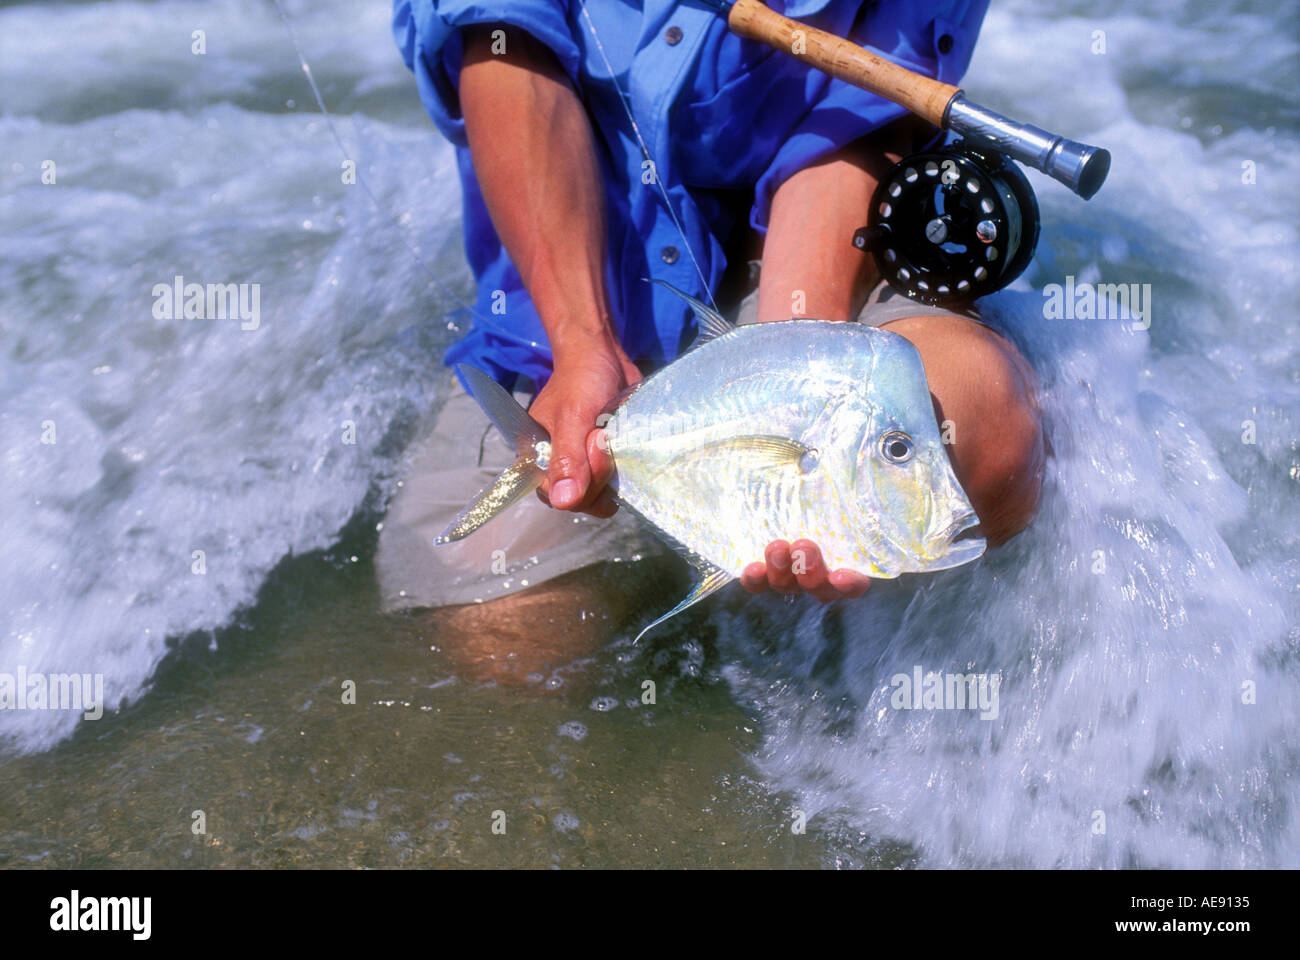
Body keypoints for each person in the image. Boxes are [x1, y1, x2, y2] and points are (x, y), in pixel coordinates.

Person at [379, 0, 1043, 679]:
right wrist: (583, 344)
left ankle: (760, 584)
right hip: (578, 283)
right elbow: (501, 40)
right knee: (503, 648)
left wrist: (788, 371)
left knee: (987, 431)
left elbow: (853, 124)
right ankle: (683, 558)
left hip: (803, 260)